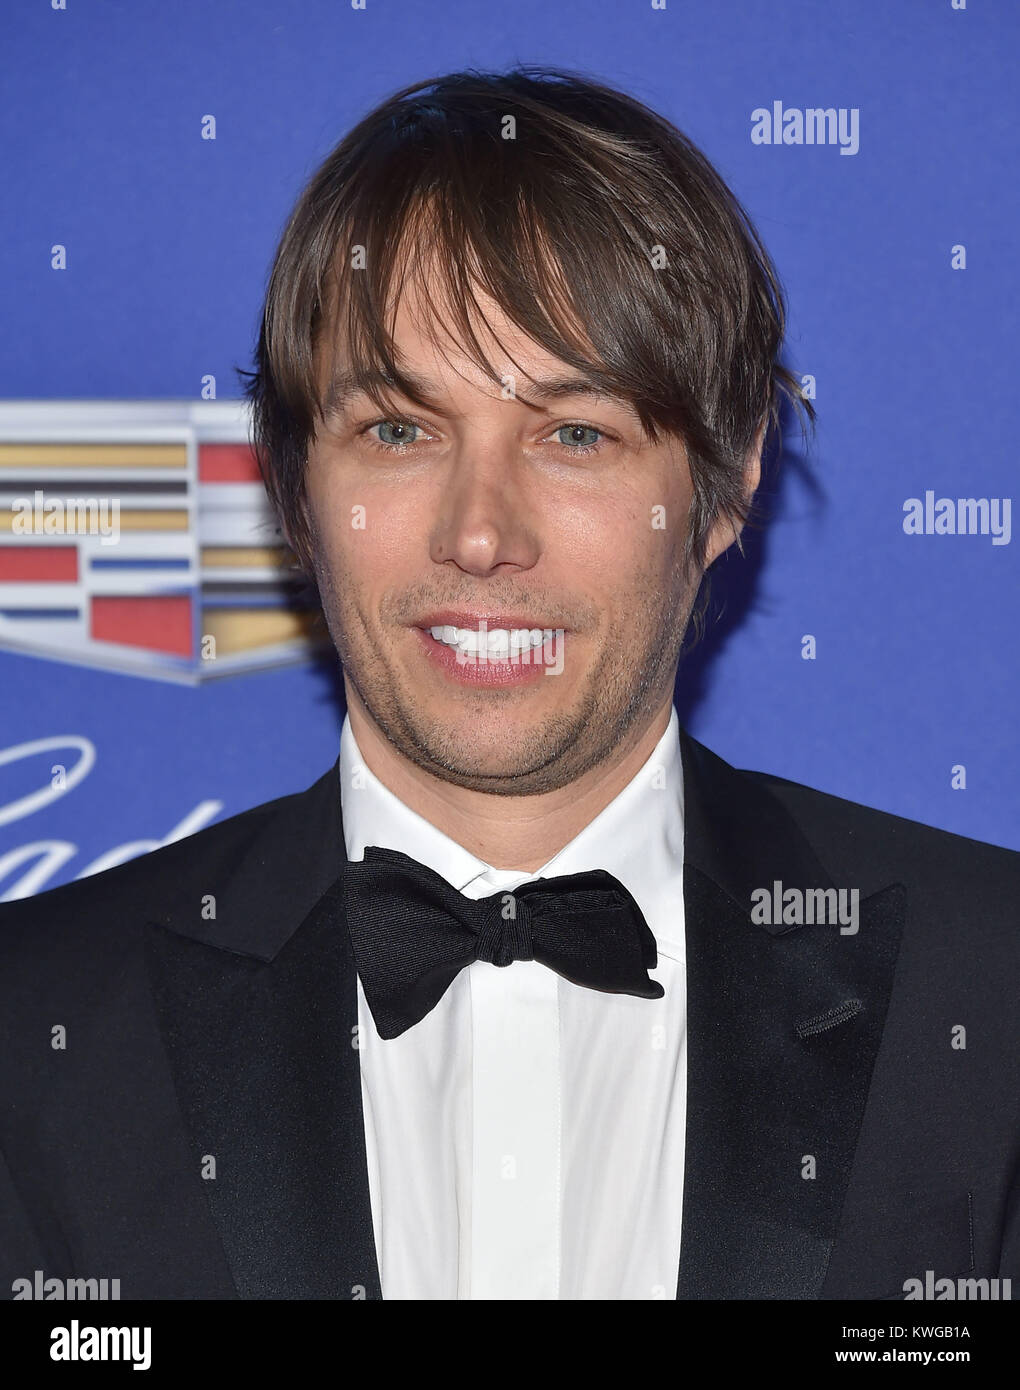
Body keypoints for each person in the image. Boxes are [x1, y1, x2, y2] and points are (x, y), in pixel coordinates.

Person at [1, 67, 1017, 1302]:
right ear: (290, 485)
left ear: (728, 475)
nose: (480, 535)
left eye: (574, 433)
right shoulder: (35, 1030)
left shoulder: (987, 998)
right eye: (398, 430)